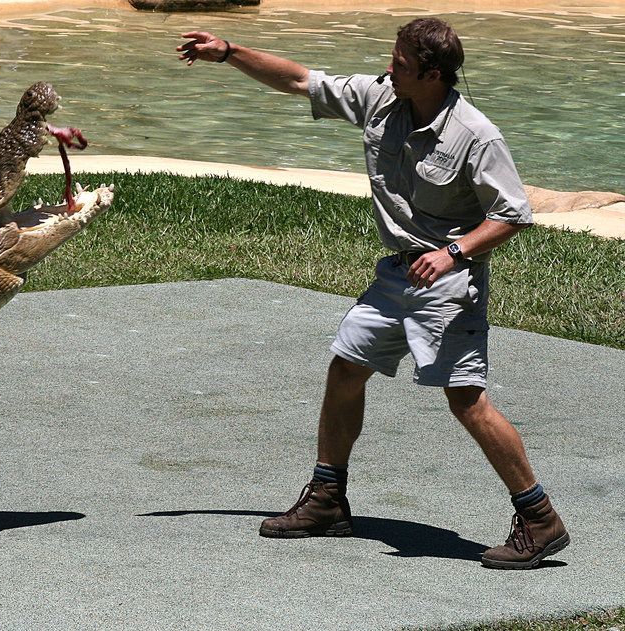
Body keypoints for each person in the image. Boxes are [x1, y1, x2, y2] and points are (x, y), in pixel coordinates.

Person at [177, 17, 569, 570]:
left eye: (402, 65)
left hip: (450, 281)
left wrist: (454, 252)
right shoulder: (383, 99)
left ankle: (538, 517)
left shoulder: (476, 134)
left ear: (433, 75)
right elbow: (299, 81)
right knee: (346, 367)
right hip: (397, 276)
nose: (389, 70)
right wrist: (227, 52)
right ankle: (327, 501)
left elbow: (514, 214)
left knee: (465, 400)